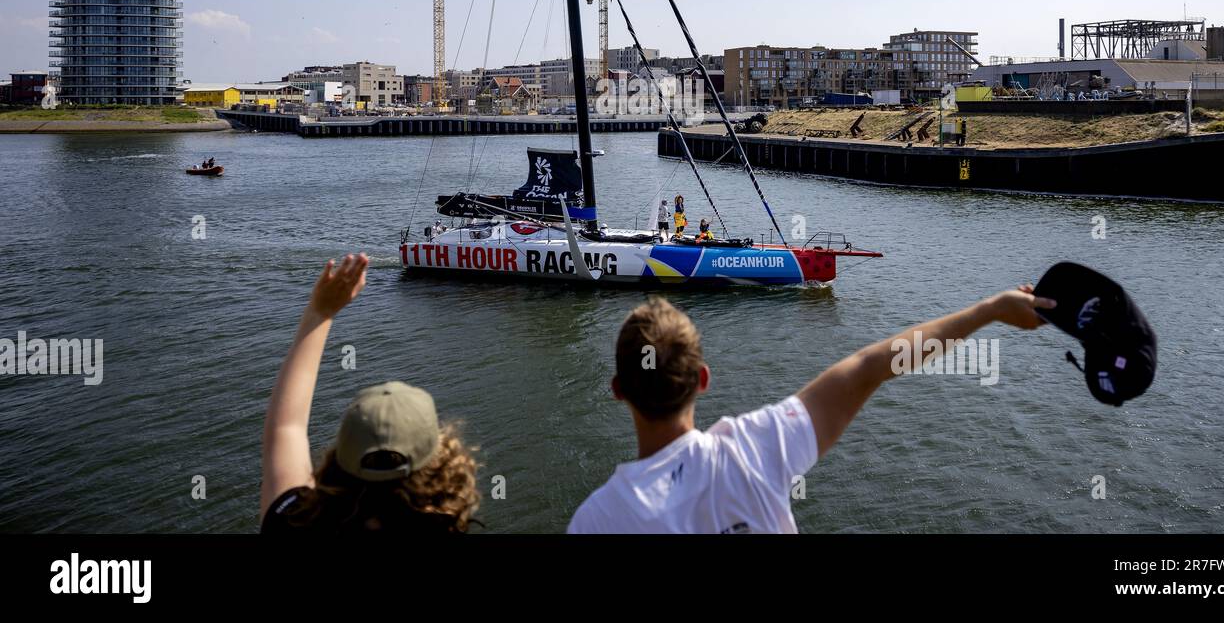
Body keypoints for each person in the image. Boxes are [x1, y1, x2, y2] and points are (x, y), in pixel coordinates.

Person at [567, 286, 1055, 534]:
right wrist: (988, 310)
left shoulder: (595, 520)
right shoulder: (755, 450)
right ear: (703, 379)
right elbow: (870, 366)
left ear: (617, 390)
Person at [260, 253, 480, 533]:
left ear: (340, 458)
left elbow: (285, 428)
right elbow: (284, 430)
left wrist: (320, 312)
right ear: (442, 469)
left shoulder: (293, 520)